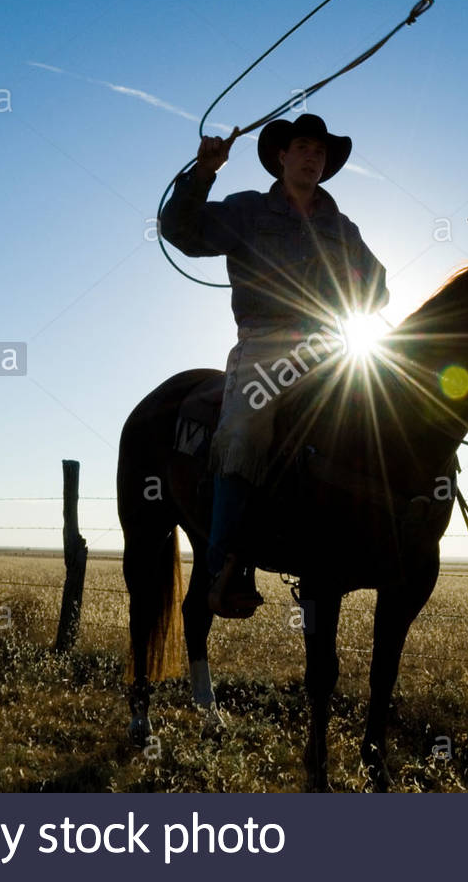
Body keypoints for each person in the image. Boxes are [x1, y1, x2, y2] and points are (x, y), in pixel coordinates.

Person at [159, 113, 389, 616]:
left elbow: (379, 286)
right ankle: (224, 566)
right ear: (281, 156)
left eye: (321, 152)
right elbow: (180, 230)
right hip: (264, 346)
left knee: (385, 412)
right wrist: (203, 173)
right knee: (245, 431)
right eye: (304, 147)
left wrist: (348, 286)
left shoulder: (341, 226)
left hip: (331, 350)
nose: (313, 156)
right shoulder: (247, 212)